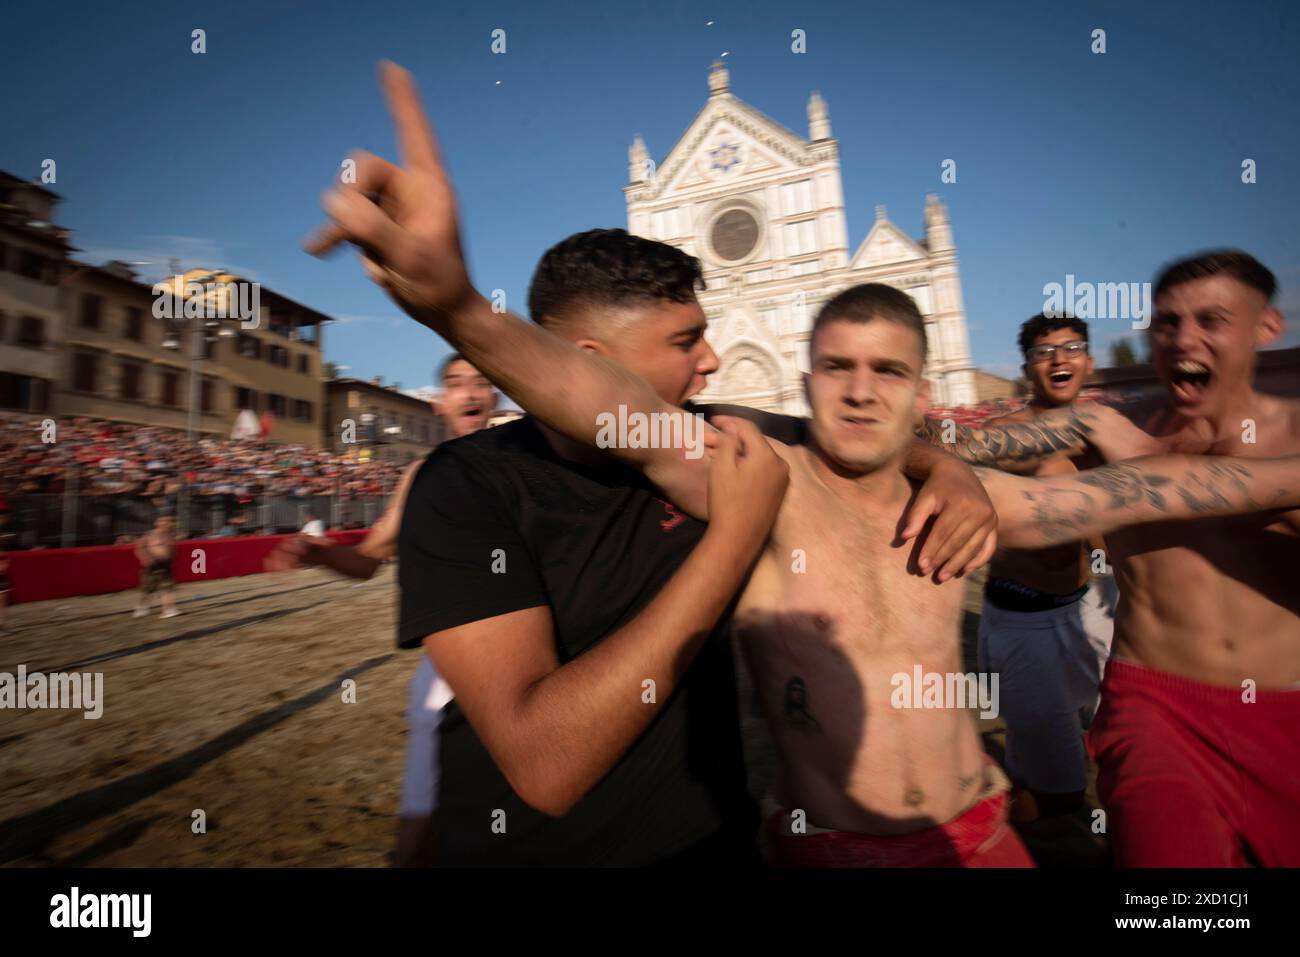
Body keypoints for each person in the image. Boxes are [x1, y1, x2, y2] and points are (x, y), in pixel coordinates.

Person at [305, 63, 1300, 866]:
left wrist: (943, 461)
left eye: (888, 373)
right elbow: (613, 411)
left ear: (919, 390)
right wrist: (458, 311)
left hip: (974, 834)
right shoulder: (747, 472)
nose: (860, 391)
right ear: (803, 377)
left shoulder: (949, 492)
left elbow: (1152, 488)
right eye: (835, 368)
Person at [308, 65, 1000, 866]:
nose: (710, 363)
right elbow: (545, 763)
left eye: (707, 335)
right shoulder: (463, 487)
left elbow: (850, 436)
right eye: (683, 343)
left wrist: (944, 466)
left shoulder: (712, 436)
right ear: (593, 360)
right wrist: (730, 541)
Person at [931, 250, 1300, 867]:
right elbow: (972, 442)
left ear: (1267, 326)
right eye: (1166, 323)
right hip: (1153, 706)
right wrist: (936, 453)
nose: (1184, 340)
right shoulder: (1106, 425)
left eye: (1211, 320)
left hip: (1282, 709)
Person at [266, 352, 497, 866]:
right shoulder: (421, 475)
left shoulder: (527, 463)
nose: (471, 392)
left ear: (496, 398)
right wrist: (318, 552)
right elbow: (371, 558)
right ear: (440, 402)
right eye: (457, 383)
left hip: (521, 669)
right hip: (443, 679)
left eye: (482, 382)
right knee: (418, 840)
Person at [976, 314, 1115, 822]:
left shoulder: (1109, 435)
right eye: (1044, 352)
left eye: (1071, 348)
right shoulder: (1002, 437)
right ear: (1027, 369)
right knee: (1063, 794)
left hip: (1097, 607)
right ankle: (1014, 818)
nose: (1059, 359)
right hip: (1025, 622)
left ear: (1089, 362)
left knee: (1120, 743)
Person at [134, 515, 179, 619]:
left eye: (169, 521)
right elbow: (139, 547)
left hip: (166, 565)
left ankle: (169, 609)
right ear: (157, 523)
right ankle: (142, 606)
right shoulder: (150, 534)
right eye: (165, 521)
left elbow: (173, 549)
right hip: (152, 565)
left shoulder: (170, 534)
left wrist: (172, 558)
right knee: (148, 589)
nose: (168, 523)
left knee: (167, 587)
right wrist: (145, 558)